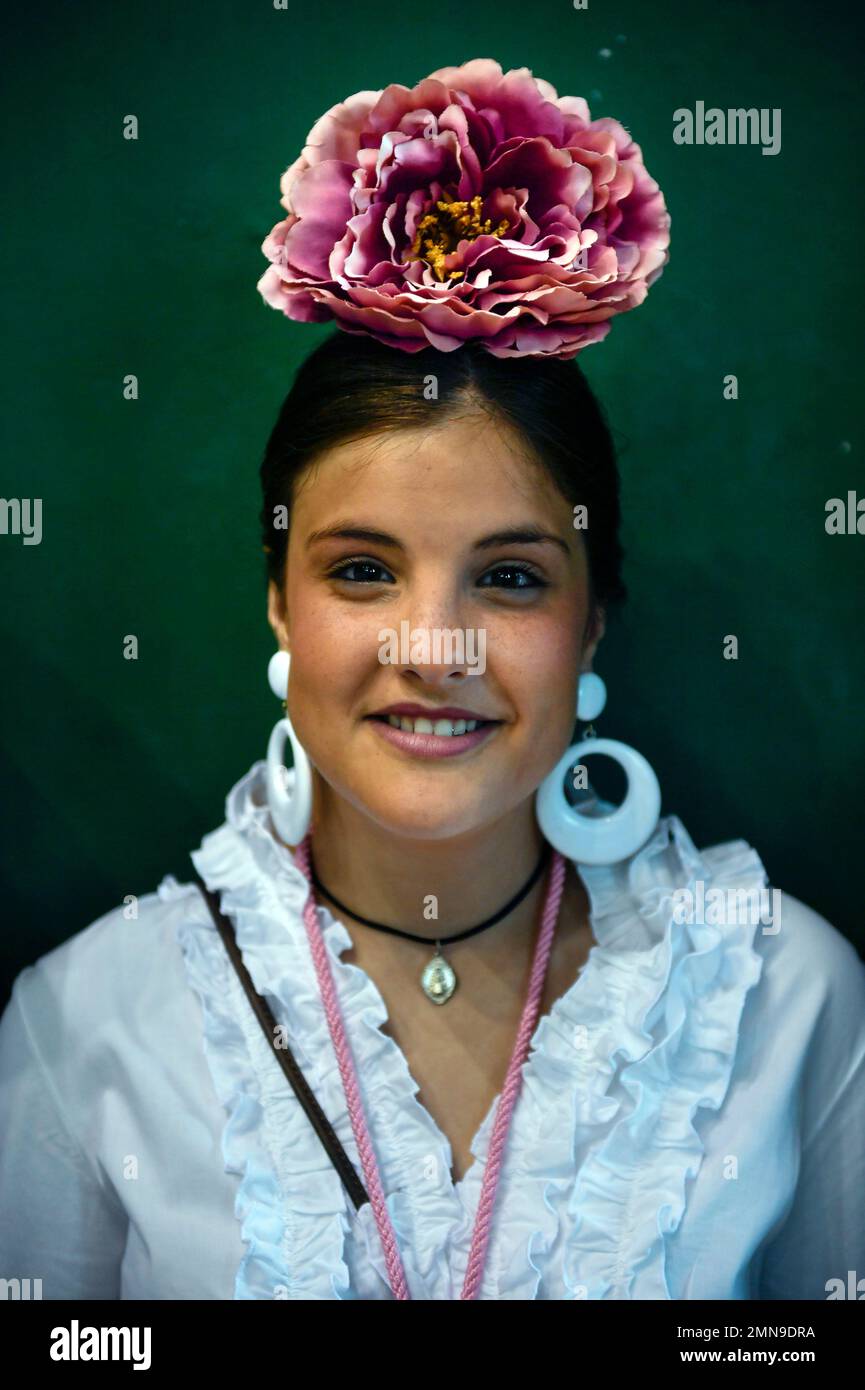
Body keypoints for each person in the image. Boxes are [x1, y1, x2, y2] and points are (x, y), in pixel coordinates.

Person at [1, 58, 863, 1301]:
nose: (435, 647)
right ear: (276, 599)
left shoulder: (785, 1001)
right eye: (361, 571)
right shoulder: (87, 1019)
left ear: (593, 622)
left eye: (509, 581)